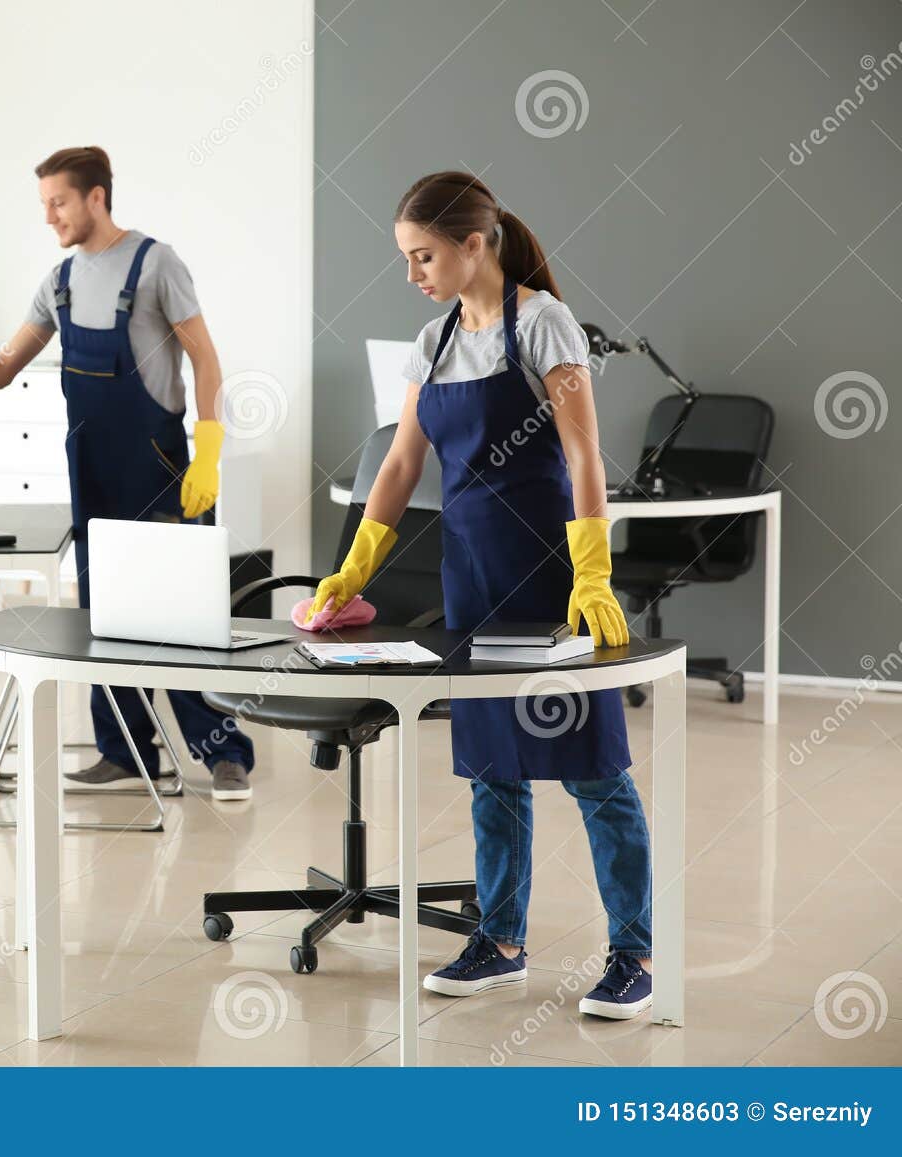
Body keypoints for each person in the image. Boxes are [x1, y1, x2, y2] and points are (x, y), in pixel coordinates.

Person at [309, 171, 653, 1020]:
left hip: (550, 580)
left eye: (424, 255)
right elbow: (399, 464)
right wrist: (355, 567)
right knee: (493, 771)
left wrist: (594, 571)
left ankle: (635, 953)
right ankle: (499, 940)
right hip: (472, 583)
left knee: (594, 771)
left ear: (475, 243)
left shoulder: (543, 323)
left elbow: (582, 457)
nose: (413, 273)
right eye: (407, 258)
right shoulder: (431, 341)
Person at [0, 145, 256, 802]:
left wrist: (209, 451)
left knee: (184, 613)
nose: (50, 216)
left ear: (95, 197)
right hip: (93, 469)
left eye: (58, 202)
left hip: (163, 466)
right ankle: (123, 752)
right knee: (104, 611)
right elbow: (2, 366)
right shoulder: (57, 280)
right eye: (44, 205)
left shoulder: (155, 265)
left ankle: (224, 754)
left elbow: (205, 359)